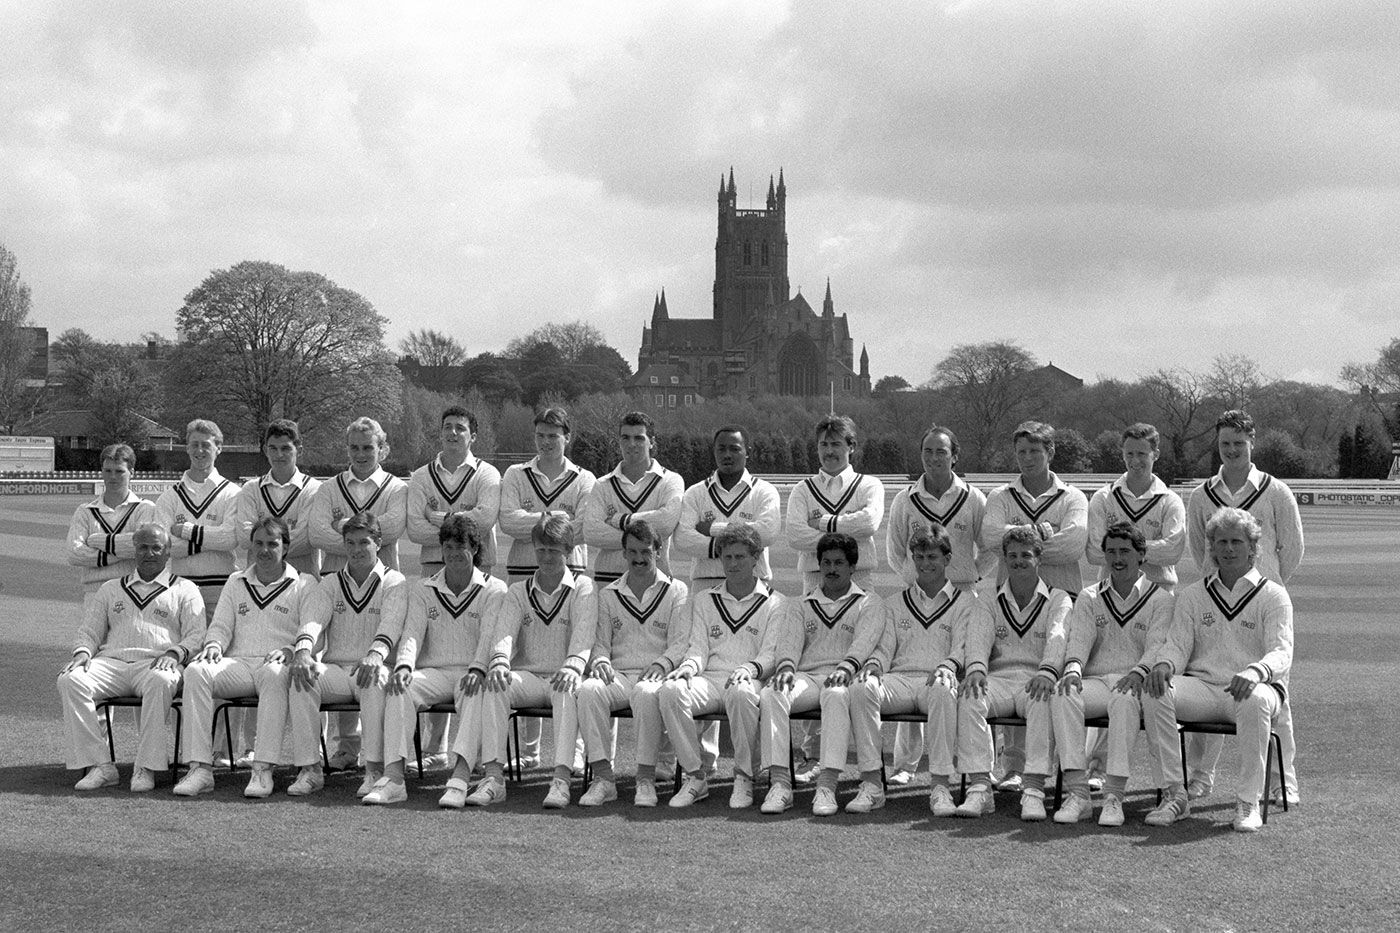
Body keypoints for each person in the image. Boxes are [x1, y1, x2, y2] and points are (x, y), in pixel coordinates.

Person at [1140, 507, 1293, 833]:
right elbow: (1178, 644)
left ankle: (1248, 802)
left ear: (1253, 547)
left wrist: (1255, 671)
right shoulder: (1194, 594)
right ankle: (1174, 794)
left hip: (1253, 689)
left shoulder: (1273, 595)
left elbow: (1281, 651)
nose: (1228, 549)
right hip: (1205, 688)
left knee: (1254, 699)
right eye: (1221, 542)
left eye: (1236, 541)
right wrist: (1164, 665)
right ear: (1212, 547)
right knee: (1154, 691)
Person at [1183, 409, 1304, 805]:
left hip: (1262, 603)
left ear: (1252, 443)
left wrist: (1267, 584)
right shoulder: (1201, 494)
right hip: (1214, 600)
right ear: (1217, 445)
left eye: (1239, 443)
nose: (1232, 450)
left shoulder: (1275, 491)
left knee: (1272, 693)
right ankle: (1200, 776)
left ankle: (1281, 781)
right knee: (1207, 681)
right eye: (1225, 444)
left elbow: (1293, 548)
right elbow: (1200, 548)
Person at [453, 514, 597, 808]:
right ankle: (493, 778)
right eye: (541, 549)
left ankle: (560, 780)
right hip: (529, 677)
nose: (546, 557)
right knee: (495, 685)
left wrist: (572, 666)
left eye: (554, 551)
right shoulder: (519, 590)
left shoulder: (583, 587)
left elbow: (583, 636)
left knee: (567, 688)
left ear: (568, 552)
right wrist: (500, 662)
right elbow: (504, 632)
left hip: (564, 674)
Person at [367, 514, 507, 806]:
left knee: (475, 689)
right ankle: (394, 778)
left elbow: (489, 638)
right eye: (448, 548)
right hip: (433, 672)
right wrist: (404, 665)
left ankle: (459, 777)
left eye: (461, 547)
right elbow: (413, 633)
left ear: (475, 549)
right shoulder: (423, 588)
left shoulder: (494, 589)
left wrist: (479, 669)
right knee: (399, 686)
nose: (454, 554)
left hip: (471, 672)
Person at [173, 517, 317, 798]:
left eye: (272, 544)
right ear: (251, 547)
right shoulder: (236, 580)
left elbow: (311, 628)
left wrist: (290, 650)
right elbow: (222, 625)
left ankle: (262, 769)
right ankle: (200, 768)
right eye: (258, 544)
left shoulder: (304, 583)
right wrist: (214, 645)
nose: (264, 550)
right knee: (195, 672)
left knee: (275, 673)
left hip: (276, 663)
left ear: (285, 547)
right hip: (238, 664)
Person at [980, 420, 1087, 792]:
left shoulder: (1072, 497)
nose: (1027, 458)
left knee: (1049, 681)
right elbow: (989, 536)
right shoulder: (1000, 496)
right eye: (1021, 451)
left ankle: (1046, 771)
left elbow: (1073, 545)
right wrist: (1036, 534)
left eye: (1035, 451)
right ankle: (1011, 768)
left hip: (1062, 596)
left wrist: (1019, 543)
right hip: (1010, 597)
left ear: (1050, 452)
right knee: (1008, 672)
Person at [57, 524, 204, 792]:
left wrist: (175, 653)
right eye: (143, 547)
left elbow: (196, 637)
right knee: (70, 680)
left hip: (157, 664)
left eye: (156, 547)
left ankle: (145, 768)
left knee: (160, 680)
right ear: (134, 550)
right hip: (111, 664)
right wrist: (82, 652)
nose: (149, 553)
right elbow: (89, 631)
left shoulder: (186, 589)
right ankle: (100, 766)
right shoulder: (111, 588)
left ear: (168, 551)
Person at [672, 424, 779, 777]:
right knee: (705, 664)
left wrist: (714, 530)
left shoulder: (763, 490)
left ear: (747, 451)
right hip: (706, 585)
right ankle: (704, 763)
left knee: (748, 677)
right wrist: (736, 536)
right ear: (714, 452)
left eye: (735, 447)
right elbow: (684, 538)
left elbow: (767, 533)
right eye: (722, 448)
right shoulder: (696, 492)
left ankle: (754, 767)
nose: (728, 454)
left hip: (754, 585)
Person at [1050, 521, 1174, 826]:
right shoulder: (1090, 596)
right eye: (1111, 552)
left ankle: (1113, 795)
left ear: (1142, 555)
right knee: (1062, 693)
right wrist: (1073, 670)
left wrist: (1138, 673)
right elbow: (1078, 639)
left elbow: (1157, 646)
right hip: (1096, 681)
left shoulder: (1161, 599)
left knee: (1123, 699)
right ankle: (1078, 794)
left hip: (1134, 683)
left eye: (1125, 551)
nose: (1118, 558)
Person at [883, 424, 986, 786]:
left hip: (962, 594)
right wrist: (916, 578)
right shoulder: (905, 499)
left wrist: (967, 575)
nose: (933, 458)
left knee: (956, 678)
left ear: (954, 455)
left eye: (941, 451)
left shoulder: (973, 497)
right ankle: (905, 765)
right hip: (917, 596)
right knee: (914, 670)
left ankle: (964, 764)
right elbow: (895, 551)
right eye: (928, 451)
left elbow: (988, 548)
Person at [783, 414, 885, 780]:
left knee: (856, 664)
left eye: (836, 444)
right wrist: (844, 529)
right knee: (813, 664)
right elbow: (794, 534)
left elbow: (869, 523)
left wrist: (823, 526)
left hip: (862, 578)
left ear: (851, 447)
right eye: (824, 444)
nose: (829, 451)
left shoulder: (867, 484)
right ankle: (812, 757)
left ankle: (861, 760)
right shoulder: (802, 488)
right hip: (813, 580)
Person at [852, 522, 976, 817]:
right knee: (860, 687)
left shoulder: (966, 602)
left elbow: (962, 646)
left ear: (947, 559)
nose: (924, 564)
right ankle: (872, 784)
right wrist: (873, 666)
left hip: (937, 679)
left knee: (943, 691)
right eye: (918, 557)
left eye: (932, 557)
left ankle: (940, 786)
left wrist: (949, 665)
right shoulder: (895, 602)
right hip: (899, 680)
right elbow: (884, 648)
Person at [496, 406, 595, 768]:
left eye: (554, 435)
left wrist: (535, 519)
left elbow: (582, 528)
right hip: (522, 574)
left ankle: (576, 753)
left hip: (572, 572)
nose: (547, 442)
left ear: (567, 437)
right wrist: (553, 518)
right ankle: (528, 753)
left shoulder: (585, 478)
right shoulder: (516, 473)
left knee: (571, 664)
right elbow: (507, 520)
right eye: (541, 435)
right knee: (524, 659)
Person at [307, 416, 409, 769]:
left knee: (375, 660)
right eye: (355, 447)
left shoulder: (396, 487)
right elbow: (315, 533)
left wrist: (343, 527)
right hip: (335, 578)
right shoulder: (329, 487)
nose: (361, 454)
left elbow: (393, 529)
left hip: (384, 580)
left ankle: (375, 752)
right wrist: (361, 534)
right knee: (338, 654)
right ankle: (346, 747)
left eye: (369, 447)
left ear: (382, 449)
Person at [658, 524, 784, 808]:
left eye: (740, 557)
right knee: (670, 691)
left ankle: (743, 777)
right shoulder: (705, 599)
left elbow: (771, 654)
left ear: (756, 558)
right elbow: (698, 648)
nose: (733, 563)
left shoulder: (776, 603)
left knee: (741, 694)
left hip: (750, 678)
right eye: (728, 557)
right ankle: (695, 775)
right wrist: (689, 666)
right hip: (711, 679)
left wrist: (750, 669)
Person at [758, 533, 884, 816]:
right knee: (771, 692)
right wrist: (786, 668)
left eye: (839, 562)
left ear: (852, 567)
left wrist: (846, 668)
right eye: (826, 562)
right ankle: (780, 785)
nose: (831, 569)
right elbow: (789, 643)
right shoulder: (800, 604)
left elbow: (864, 643)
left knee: (837, 693)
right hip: (807, 677)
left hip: (845, 675)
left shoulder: (869, 602)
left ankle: (826, 785)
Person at [405, 405, 502, 770]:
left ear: (472, 435)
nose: (453, 433)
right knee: (435, 655)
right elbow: (414, 529)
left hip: (478, 564)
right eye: (447, 427)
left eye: (461, 428)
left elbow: (485, 519)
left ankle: (473, 750)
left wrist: (440, 520)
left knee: (474, 652)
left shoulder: (488, 473)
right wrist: (460, 520)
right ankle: (436, 748)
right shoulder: (421, 475)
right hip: (432, 567)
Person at [288, 512, 409, 798]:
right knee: (301, 677)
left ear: (378, 543)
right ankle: (310, 769)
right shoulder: (330, 583)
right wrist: (303, 650)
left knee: (374, 677)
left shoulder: (395, 581)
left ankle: (374, 770)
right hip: (337, 670)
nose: (356, 550)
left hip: (375, 667)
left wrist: (376, 654)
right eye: (350, 543)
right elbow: (314, 619)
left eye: (364, 542)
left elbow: (391, 624)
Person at [955, 527, 1070, 821]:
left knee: (1045, 700)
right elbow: (978, 638)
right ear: (1004, 560)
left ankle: (1033, 790)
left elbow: (1058, 638)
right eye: (1012, 556)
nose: (1018, 561)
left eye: (1026, 555)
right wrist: (976, 669)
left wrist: (1047, 672)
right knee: (969, 696)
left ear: (1039, 559)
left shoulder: (1059, 599)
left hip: (1036, 678)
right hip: (1000, 679)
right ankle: (980, 787)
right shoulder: (988, 598)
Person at [574, 519, 691, 808]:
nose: (639, 558)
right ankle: (603, 778)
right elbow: (600, 642)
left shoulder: (676, 590)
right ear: (624, 553)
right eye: (633, 552)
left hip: (656, 676)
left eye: (646, 552)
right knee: (588, 690)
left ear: (659, 551)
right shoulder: (609, 593)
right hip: (619, 674)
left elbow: (680, 643)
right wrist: (600, 660)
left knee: (646, 693)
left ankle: (645, 779)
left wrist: (663, 664)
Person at [581, 411, 684, 585]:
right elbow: (591, 533)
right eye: (625, 438)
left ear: (652, 442)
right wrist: (646, 541)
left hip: (655, 581)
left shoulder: (670, 480)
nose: (631, 444)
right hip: (608, 580)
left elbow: (665, 524)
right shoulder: (602, 485)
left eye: (639, 438)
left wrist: (620, 520)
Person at [153, 419, 242, 614]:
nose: (199, 451)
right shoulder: (169, 497)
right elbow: (162, 546)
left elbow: (229, 539)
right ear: (187, 448)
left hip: (220, 591)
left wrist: (186, 531)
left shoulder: (232, 493)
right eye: (194, 444)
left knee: (214, 645)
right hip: (178, 590)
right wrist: (211, 541)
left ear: (219, 448)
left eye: (206, 445)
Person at [66, 442, 158, 610]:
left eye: (119, 471)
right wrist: (122, 551)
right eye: (108, 471)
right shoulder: (85, 511)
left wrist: (97, 541)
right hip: (95, 593)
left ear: (132, 472)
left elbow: (142, 547)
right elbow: (75, 554)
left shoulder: (145, 508)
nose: (113, 477)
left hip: (134, 591)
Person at [235, 419, 323, 576]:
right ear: (265, 450)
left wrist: (261, 543)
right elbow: (243, 537)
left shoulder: (314, 489)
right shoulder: (250, 489)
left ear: (299, 450)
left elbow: (306, 539)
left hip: (301, 583)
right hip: (258, 584)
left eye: (286, 448)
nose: (279, 455)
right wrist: (281, 541)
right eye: (273, 448)